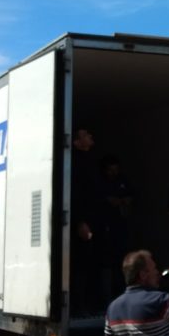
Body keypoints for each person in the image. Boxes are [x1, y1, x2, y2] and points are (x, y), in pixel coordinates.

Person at [71, 127, 101, 314]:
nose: (90, 135)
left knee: (92, 264)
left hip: (94, 219)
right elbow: (76, 193)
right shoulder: (74, 161)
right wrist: (80, 221)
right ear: (76, 140)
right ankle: (79, 306)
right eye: (86, 134)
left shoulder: (90, 160)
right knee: (80, 266)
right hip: (83, 223)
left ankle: (90, 304)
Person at [96, 153, 133, 306]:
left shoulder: (122, 181)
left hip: (120, 226)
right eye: (110, 170)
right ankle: (106, 298)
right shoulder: (100, 183)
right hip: (104, 226)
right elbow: (99, 199)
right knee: (106, 263)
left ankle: (122, 294)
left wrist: (123, 201)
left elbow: (131, 197)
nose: (113, 172)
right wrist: (110, 200)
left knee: (122, 261)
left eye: (116, 169)